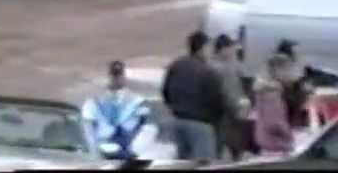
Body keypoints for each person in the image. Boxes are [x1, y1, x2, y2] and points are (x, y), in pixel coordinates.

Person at [161, 31, 225, 160]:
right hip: (201, 126)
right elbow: (217, 101)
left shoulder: (175, 65)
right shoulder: (208, 72)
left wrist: (174, 107)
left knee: (178, 163)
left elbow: (165, 91)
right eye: (209, 47)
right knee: (202, 164)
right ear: (203, 48)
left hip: (176, 121)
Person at [81, 60, 151, 160]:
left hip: (127, 148)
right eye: (114, 75)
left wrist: (136, 148)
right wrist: (93, 148)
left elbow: (143, 126)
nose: (117, 78)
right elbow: (88, 125)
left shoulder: (136, 101)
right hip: (102, 149)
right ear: (109, 76)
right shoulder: (94, 100)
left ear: (124, 76)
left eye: (119, 75)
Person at [211, 34, 250, 161]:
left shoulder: (210, 65)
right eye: (231, 48)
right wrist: (240, 108)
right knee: (234, 149)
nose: (233, 52)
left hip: (213, 115)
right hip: (227, 116)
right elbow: (231, 93)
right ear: (223, 49)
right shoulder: (224, 69)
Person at [252, 53, 297, 156]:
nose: (290, 74)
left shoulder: (267, 89)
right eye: (288, 70)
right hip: (276, 147)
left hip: (267, 143)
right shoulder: (271, 93)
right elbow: (274, 123)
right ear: (278, 70)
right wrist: (290, 135)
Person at [274, 40, 314, 130]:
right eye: (294, 52)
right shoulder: (280, 63)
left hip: (294, 101)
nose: (296, 54)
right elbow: (285, 80)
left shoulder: (294, 65)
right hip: (285, 100)